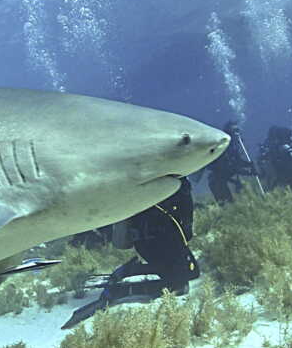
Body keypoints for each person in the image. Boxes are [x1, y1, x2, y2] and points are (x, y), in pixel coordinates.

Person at [62, 178, 199, 328]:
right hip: (157, 238)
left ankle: (128, 272)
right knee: (179, 281)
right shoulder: (173, 183)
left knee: (185, 275)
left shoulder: (169, 184)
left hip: (149, 239)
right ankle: (119, 288)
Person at [206, 120, 260, 203]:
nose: (237, 133)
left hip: (223, 178)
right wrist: (249, 172)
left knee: (230, 202)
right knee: (226, 203)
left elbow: (237, 162)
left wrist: (248, 165)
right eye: (235, 131)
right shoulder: (225, 146)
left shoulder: (233, 146)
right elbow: (230, 167)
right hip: (216, 181)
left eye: (238, 130)